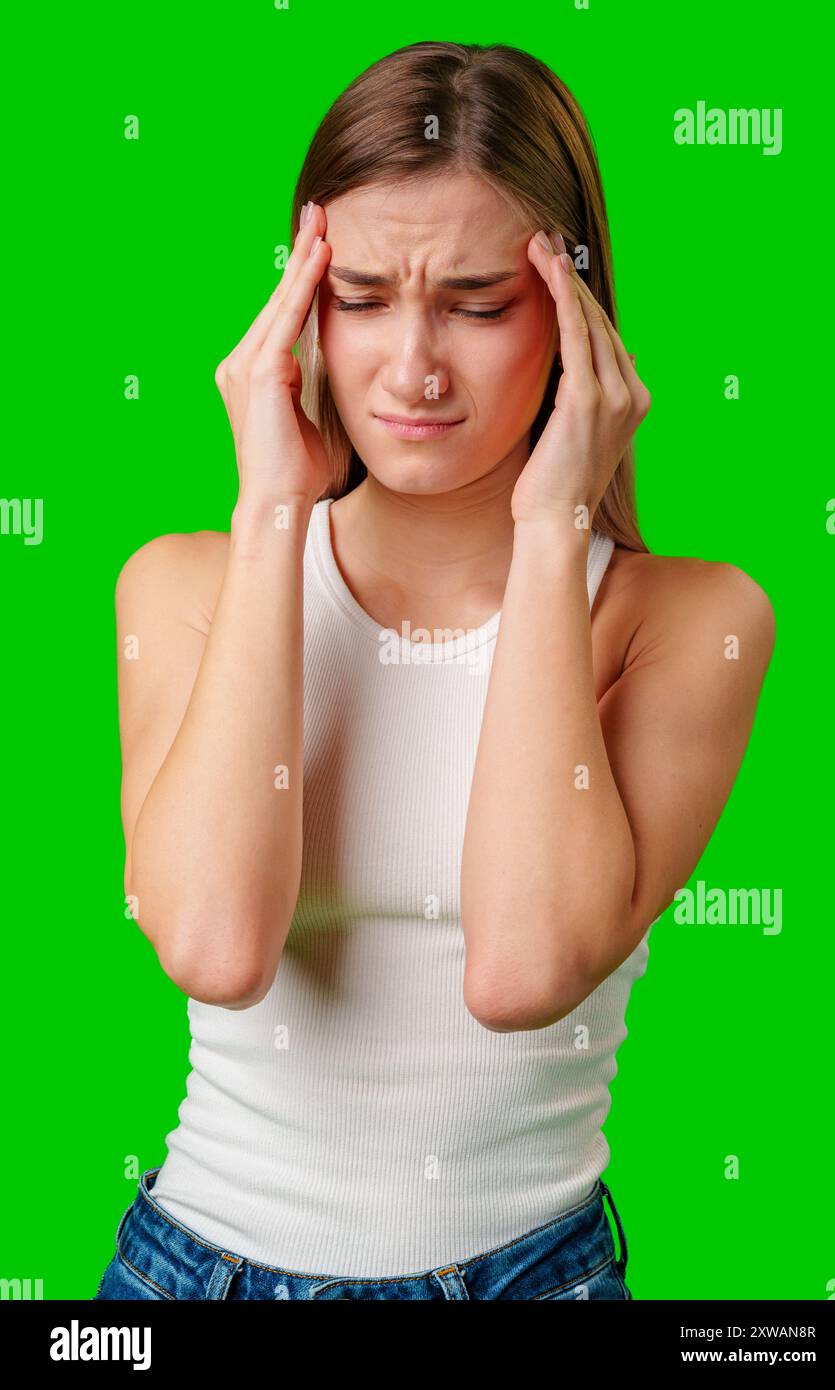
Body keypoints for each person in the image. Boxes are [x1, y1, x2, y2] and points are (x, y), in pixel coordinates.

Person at [94, 40, 774, 1301]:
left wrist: (550, 525)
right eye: (357, 298)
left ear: (572, 312)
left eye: (472, 303)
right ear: (298, 308)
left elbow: (523, 967)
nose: (410, 369)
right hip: (191, 1278)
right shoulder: (184, 585)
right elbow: (214, 942)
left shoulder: (680, 618)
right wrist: (268, 517)